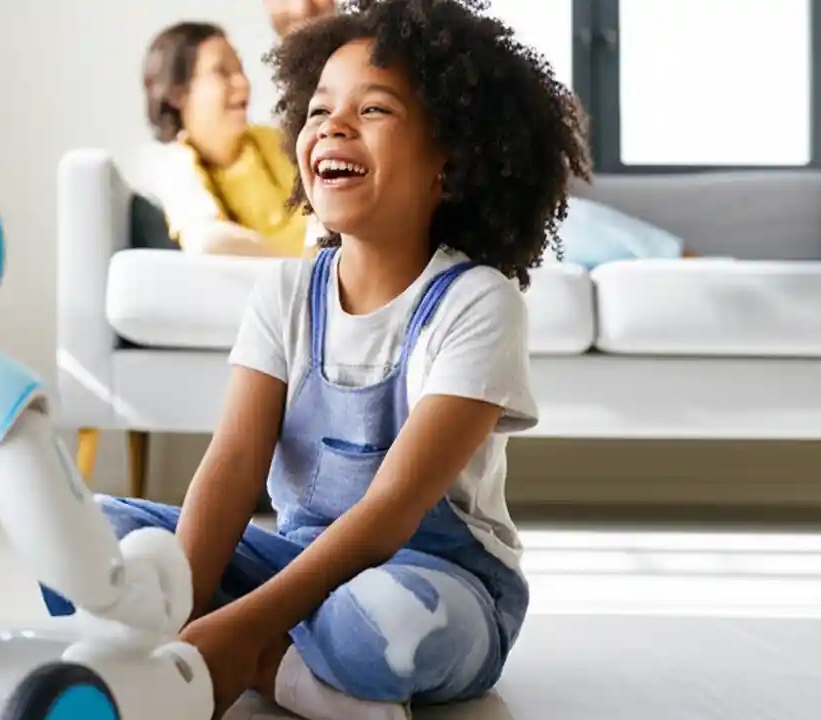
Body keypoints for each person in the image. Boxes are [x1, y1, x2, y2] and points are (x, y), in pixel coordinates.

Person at [53, 1, 592, 717]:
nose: (333, 125)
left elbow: (392, 511)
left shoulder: (478, 302)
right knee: (83, 537)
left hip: (437, 582)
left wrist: (235, 629)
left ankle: (270, 658)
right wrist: (177, 610)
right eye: (318, 109)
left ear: (449, 163)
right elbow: (233, 464)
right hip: (295, 561)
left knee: (382, 627)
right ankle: (295, 674)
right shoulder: (283, 290)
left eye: (374, 110)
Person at [142, 22, 316, 257]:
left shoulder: (274, 141)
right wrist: (304, 266)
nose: (243, 84)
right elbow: (206, 240)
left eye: (240, 70)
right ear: (178, 94)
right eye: (222, 72)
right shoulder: (175, 164)